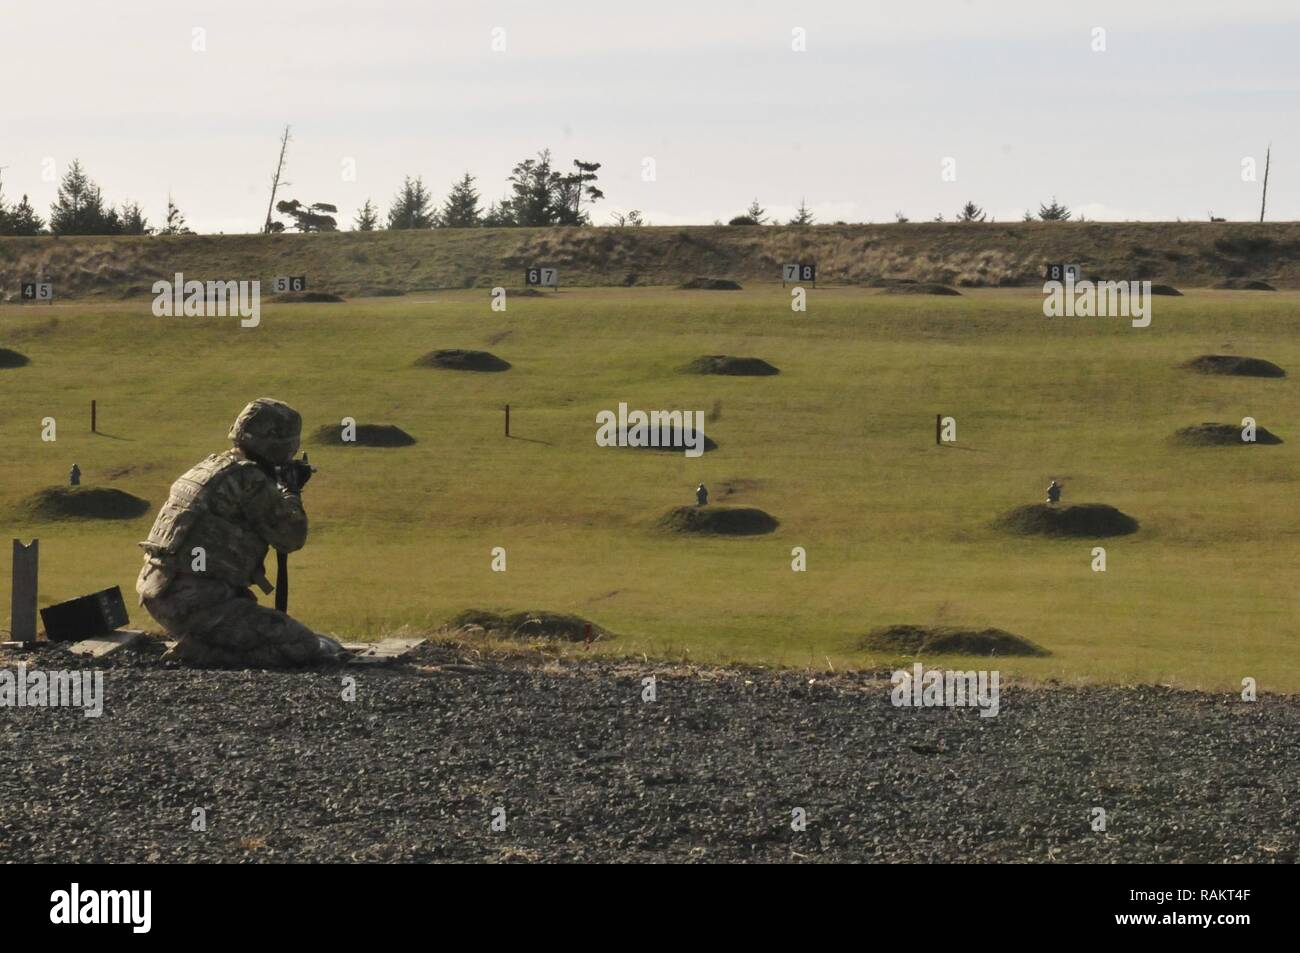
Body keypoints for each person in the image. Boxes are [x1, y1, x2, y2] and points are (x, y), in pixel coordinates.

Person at [135, 398, 344, 667]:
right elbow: (291, 537)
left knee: (263, 625)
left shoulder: (209, 467)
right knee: (302, 644)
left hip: (161, 593)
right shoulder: (250, 479)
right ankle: (200, 652)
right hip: (198, 604)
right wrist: (291, 491)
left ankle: (202, 642)